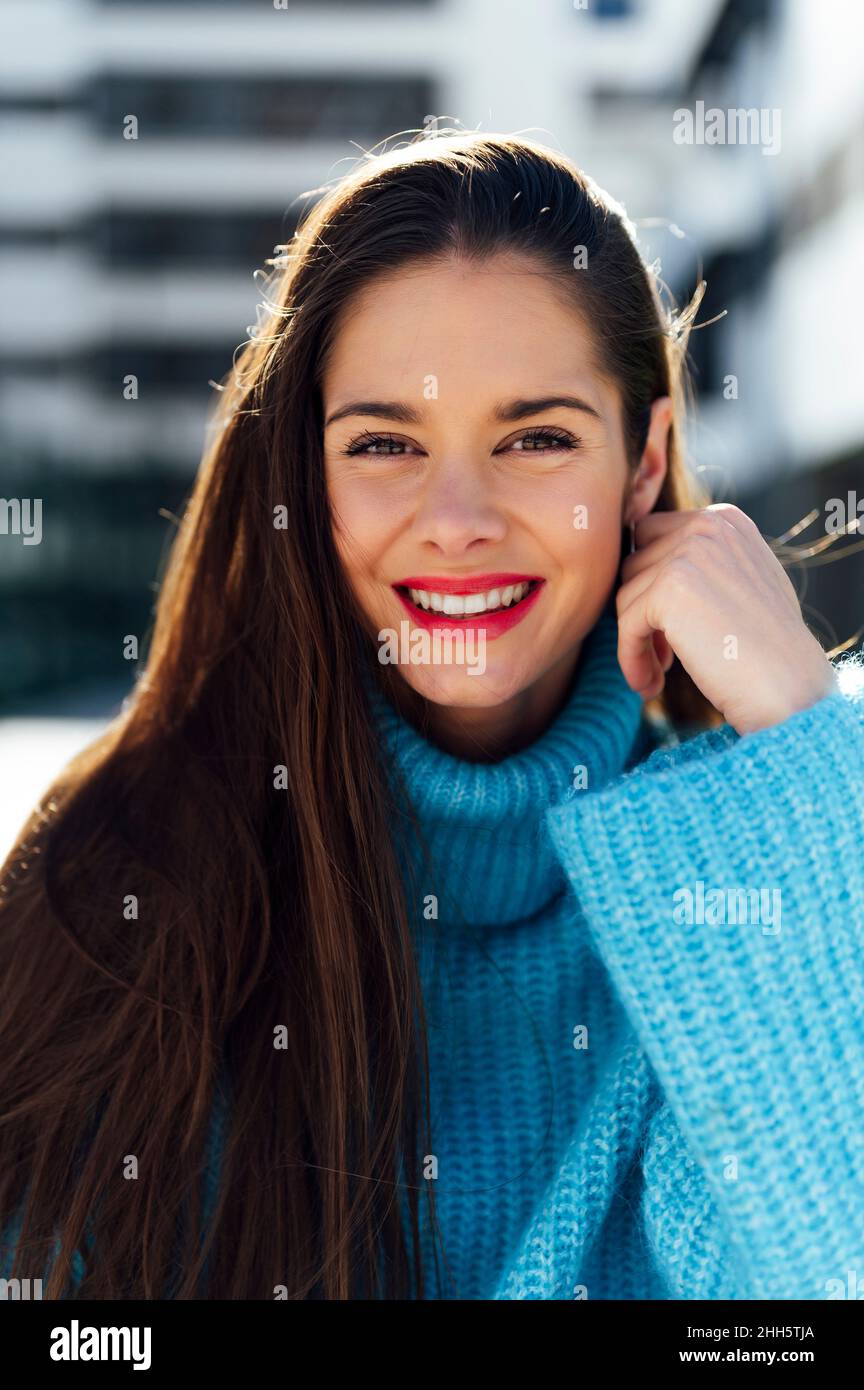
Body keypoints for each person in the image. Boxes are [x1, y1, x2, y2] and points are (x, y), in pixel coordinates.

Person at [2, 131, 862, 1300]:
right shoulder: (111, 888)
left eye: (537, 438)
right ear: (305, 476)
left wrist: (806, 745)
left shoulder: (759, 894)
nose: (456, 519)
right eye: (385, 444)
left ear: (645, 464)